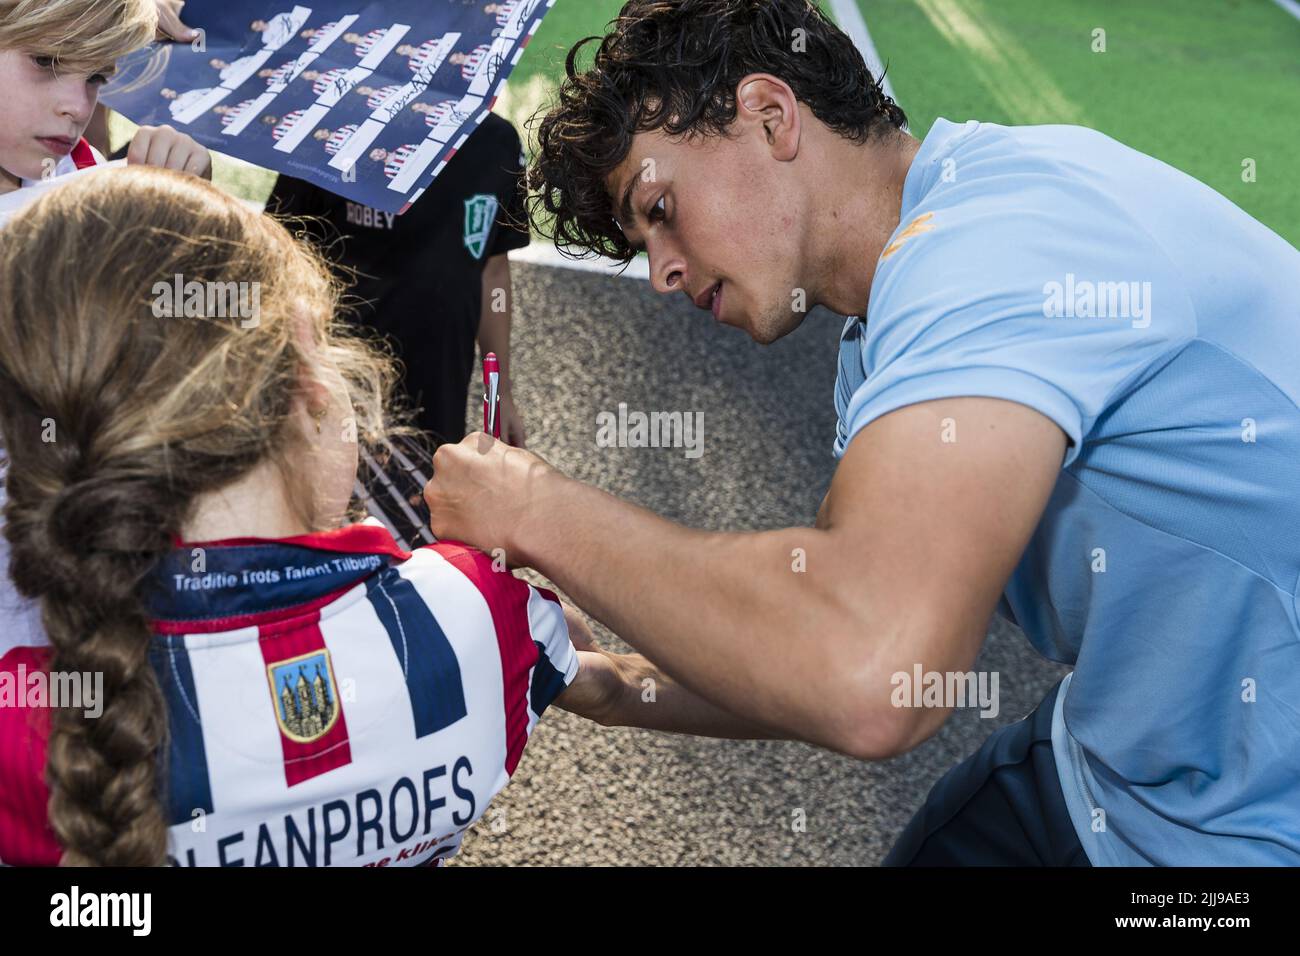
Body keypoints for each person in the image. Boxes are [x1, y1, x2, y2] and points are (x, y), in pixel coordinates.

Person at [422, 0, 1300, 865]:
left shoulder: (996, 250)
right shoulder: (884, 327)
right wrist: (616, 683)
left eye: (659, 210)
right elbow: (818, 647)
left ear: (771, 117)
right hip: (1125, 773)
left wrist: (535, 510)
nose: (662, 272)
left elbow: (868, 671)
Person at [0, 167, 769, 867]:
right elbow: (618, 685)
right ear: (308, 381)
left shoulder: (30, 716)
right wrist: (830, 692)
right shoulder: (476, 607)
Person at [268, 111, 530, 447]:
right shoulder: (332, 127)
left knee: (427, 486)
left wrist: (501, 393)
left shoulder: (498, 142)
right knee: (334, 485)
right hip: (339, 369)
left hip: (438, 379)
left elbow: (493, 271)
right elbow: (279, 248)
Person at [0, 0, 211, 226]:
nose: (80, 108)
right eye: (46, 61)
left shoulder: (85, 179)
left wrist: (185, 206)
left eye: (95, 78)